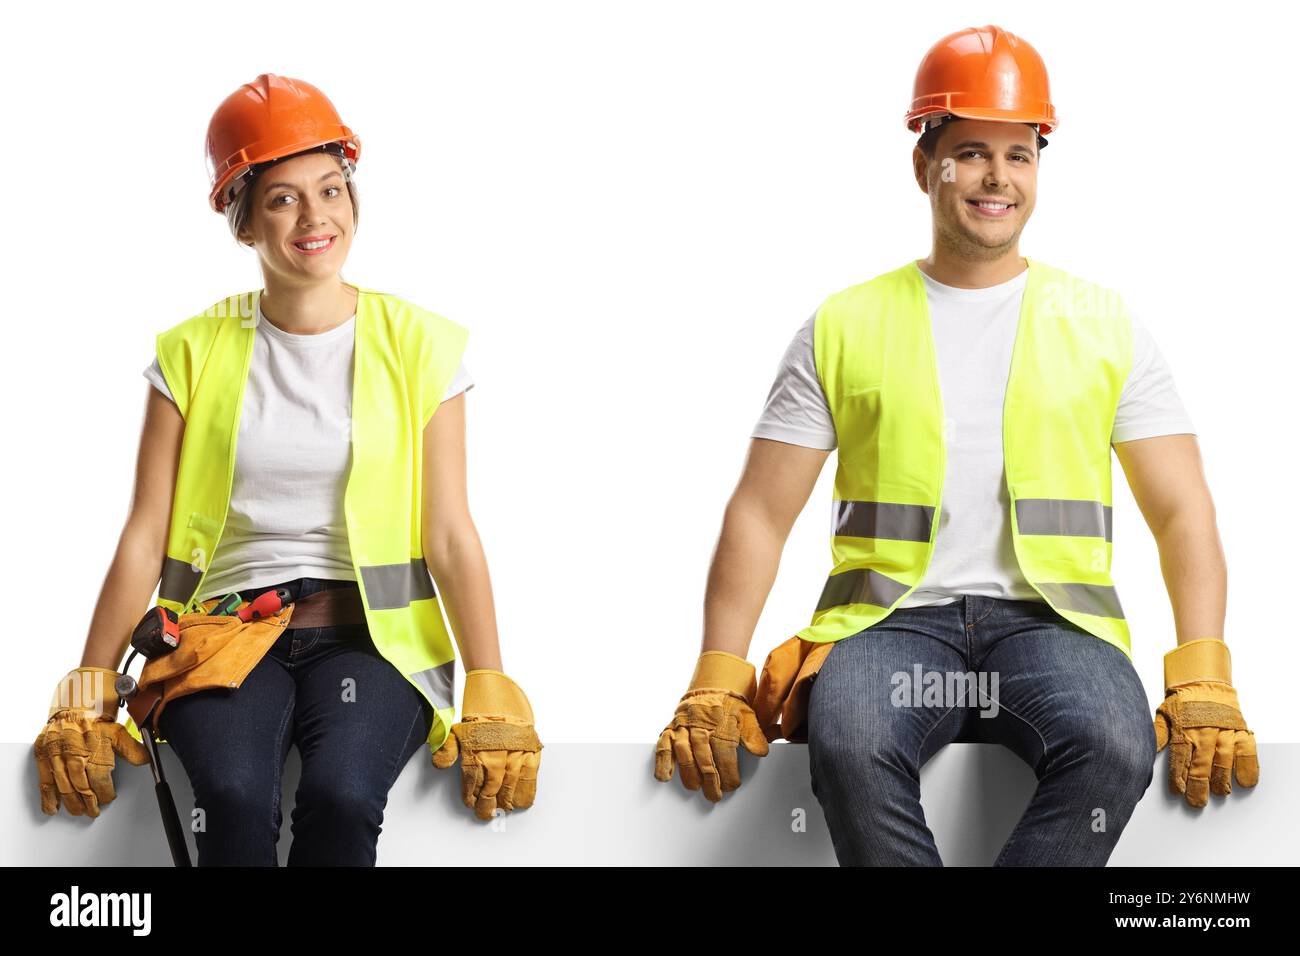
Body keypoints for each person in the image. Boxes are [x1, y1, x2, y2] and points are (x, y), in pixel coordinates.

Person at [654, 25, 1258, 866]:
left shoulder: (1104, 325)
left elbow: (1183, 508)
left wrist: (1203, 672)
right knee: (850, 748)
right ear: (924, 165)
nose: (997, 178)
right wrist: (717, 669)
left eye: (1019, 155)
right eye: (972, 152)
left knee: (1114, 747)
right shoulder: (844, 324)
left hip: (1055, 626)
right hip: (890, 623)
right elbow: (759, 512)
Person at [33, 73, 542, 865]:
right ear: (242, 220)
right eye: (282, 199)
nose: (316, 217)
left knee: (340, 795)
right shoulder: (191, 352)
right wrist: (90, 677)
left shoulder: (423, 348)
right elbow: (145, 531)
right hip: (224, 639)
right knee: (233, 798)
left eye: (331, 190)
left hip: (372, 643)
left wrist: (491, 680)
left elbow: (449, 531)